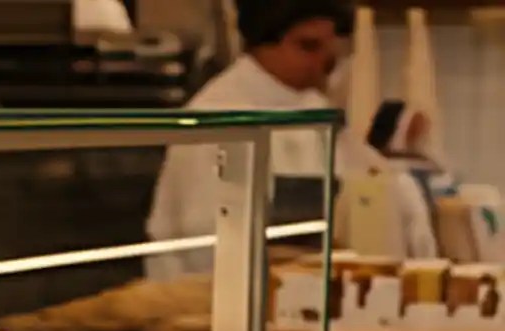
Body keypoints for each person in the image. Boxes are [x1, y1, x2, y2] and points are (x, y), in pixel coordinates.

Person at [145, 0, 433, 279]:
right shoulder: (217, 118)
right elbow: (205, 244)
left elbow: (373, 179)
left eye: (330, 47)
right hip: (209, 302)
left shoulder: (313, 108)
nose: (325, 62)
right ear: (261, 44)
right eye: (308, 46)